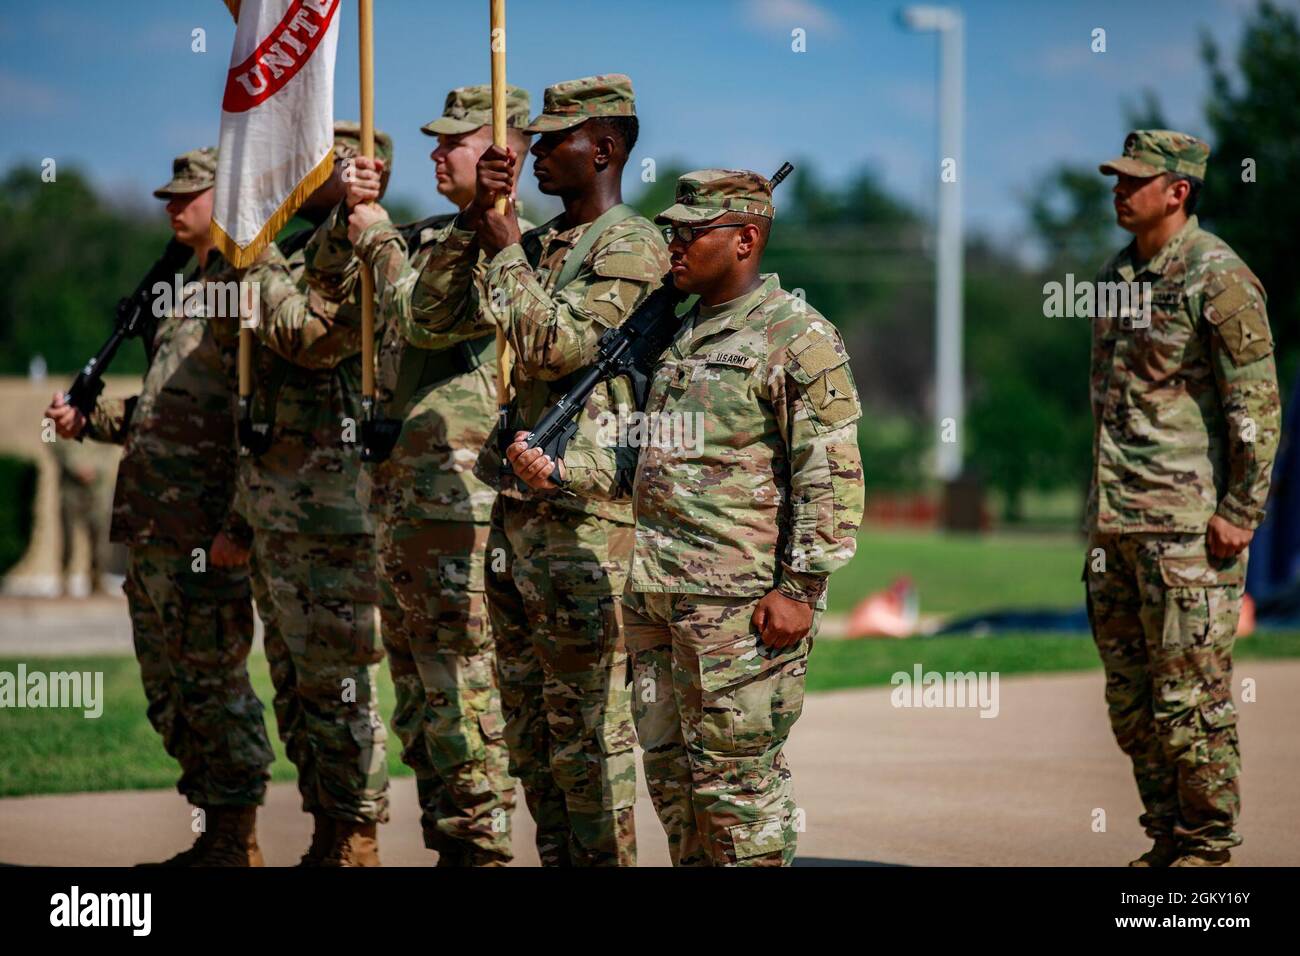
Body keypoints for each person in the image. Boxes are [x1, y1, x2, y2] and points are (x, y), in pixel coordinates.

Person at [507, 169, 865, 866]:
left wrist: (800, 590)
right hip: (656, 601)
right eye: (671, 230)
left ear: (745, 240)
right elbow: (637, 464)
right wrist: (559, 475)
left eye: (692, 232)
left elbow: (833, 475)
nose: (674, 244)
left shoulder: (795, 335)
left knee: (739, 796)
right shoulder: (670, 339)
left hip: (736, 610)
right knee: (675, 791)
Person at [411, 74, 670, 865]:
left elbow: (559, 346)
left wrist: (502, 251)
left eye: (555, 139)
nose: (536, 151)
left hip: (588, 526)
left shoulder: (631, 246)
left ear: (605, 147)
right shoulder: (543, 243)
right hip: (521, 519)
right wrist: (475, 223)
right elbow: (427, 320)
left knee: (587, 742)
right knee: (532, 740)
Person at [304, 87, 533, 865]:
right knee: (421, 702)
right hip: (403, 507)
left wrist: (375, 242)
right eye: (432, 144)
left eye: (455, 143)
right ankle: (451, 845)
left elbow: (425, 315)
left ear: (506, 152)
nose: (436, 155)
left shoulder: (511, 250)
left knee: (465, 698)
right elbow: (319, 295)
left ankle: (482, 851)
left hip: (461, 512)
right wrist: (348, 216)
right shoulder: (424, 235)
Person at [43, 148, 273, 866]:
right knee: (170, 694)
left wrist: (241, 520)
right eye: (168, 199)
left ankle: (236, 844)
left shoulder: (240, 290)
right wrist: (96, 419)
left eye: (189, 197)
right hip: (154, 527)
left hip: (204, 529)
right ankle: (212, 837)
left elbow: (256, 415)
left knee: (213, 687)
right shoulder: (181, 291)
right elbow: (169, 407)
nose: (174, 209)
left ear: (225, 197)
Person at [1088, 130, 1281, 867]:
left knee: (1189, 703)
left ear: (1178, 191)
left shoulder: (1218, 277)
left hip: (1186, 531)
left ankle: (1206, 847)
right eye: (1116, 178)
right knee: (1132, 706)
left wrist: (1242, 510)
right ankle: (1167, 837)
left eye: (1135, 180)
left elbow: (1256, 406)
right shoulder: (1115, 275)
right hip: (1116, 527)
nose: (1119, 189)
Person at [233, 122, 395, 866]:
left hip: (335, 513)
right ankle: (329, 831)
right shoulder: (280, 253)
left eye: (326, 162)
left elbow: (311, 336)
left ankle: (357, 835)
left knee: (339, 689)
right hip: (275, 512)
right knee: (296, 690)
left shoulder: (380, 255)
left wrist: (343, 231)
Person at [49, 437, 108, 596]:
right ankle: (64, 580)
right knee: (68, 537)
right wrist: (73, 464)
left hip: (97, 488)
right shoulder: (54, 412)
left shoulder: (103, 412)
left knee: (98, 536)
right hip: (70, 488)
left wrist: (97, 467)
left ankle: (97, 580)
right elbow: (47, 438)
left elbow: (112, 445)